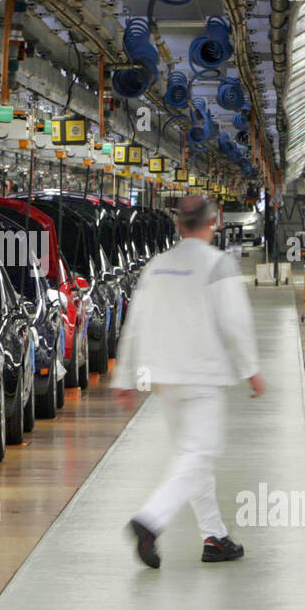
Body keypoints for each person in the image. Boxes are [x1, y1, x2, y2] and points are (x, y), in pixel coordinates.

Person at [113, 195, 264, 567]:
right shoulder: (218, 265)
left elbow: (135, 324)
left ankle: (215, 536)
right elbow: (235, 322)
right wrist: (251, 369)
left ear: (179, 225)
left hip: (164, 379)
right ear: (213, 223)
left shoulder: (158, 265)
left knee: (191, 456)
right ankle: (150, 520)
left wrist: (126, 376)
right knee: (199, 454)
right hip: (203, 377)